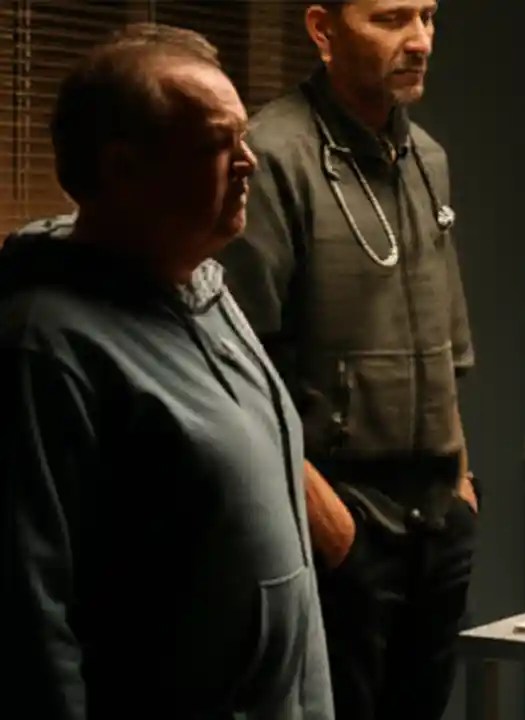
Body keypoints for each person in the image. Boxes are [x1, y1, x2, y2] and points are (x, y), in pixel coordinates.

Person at [0, 23, 334, 719]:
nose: (249, 163)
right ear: (123, 169)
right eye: (218, 144)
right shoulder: (44, 346)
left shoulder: (205, 289)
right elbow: (29, 613)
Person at [214, 1, 479, 718]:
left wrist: (460, 480)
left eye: (427, 16)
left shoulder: (426, 159)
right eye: (390, 19)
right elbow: (238, 368)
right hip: (342, 520)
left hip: (435, 518)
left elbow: (446, 342)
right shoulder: (272, 156)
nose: (419, 41)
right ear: (323, 29)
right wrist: (323, 516)